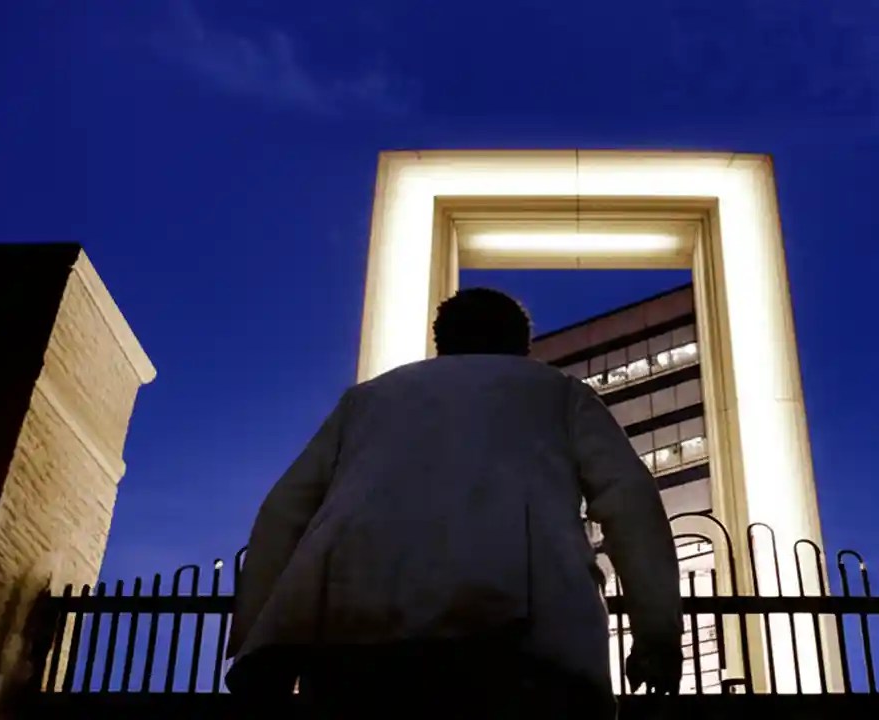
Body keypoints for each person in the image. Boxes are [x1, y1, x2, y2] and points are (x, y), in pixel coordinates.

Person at [225, 288, 683, 718]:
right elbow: (630, 506)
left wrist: (257, 638)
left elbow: (284, 512)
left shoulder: (366, 401)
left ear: (441, 341)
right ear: (523, 344)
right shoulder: (559, 393)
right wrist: (656, 634)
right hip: (525, 641)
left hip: (355, 632)